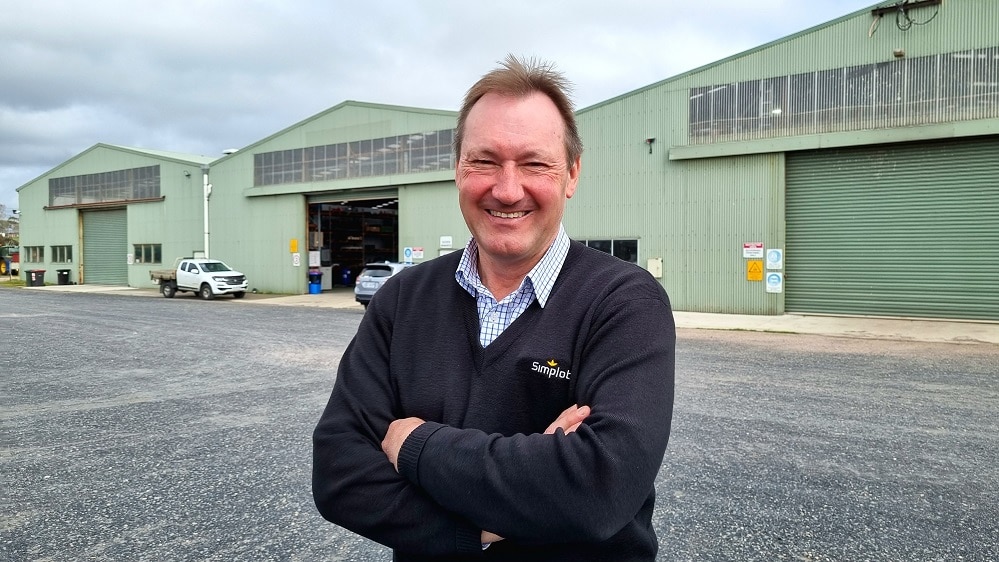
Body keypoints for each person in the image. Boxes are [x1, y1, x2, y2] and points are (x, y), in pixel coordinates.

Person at [313, 55, 676, 561]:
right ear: (458, 170)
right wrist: (487, 526)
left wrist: (414, 445)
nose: (507, 190)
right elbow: (339, 473)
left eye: (534, 163)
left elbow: (599, 490)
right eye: (484, 161)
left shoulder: (624, 302)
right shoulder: (401, 300)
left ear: (571, 174)